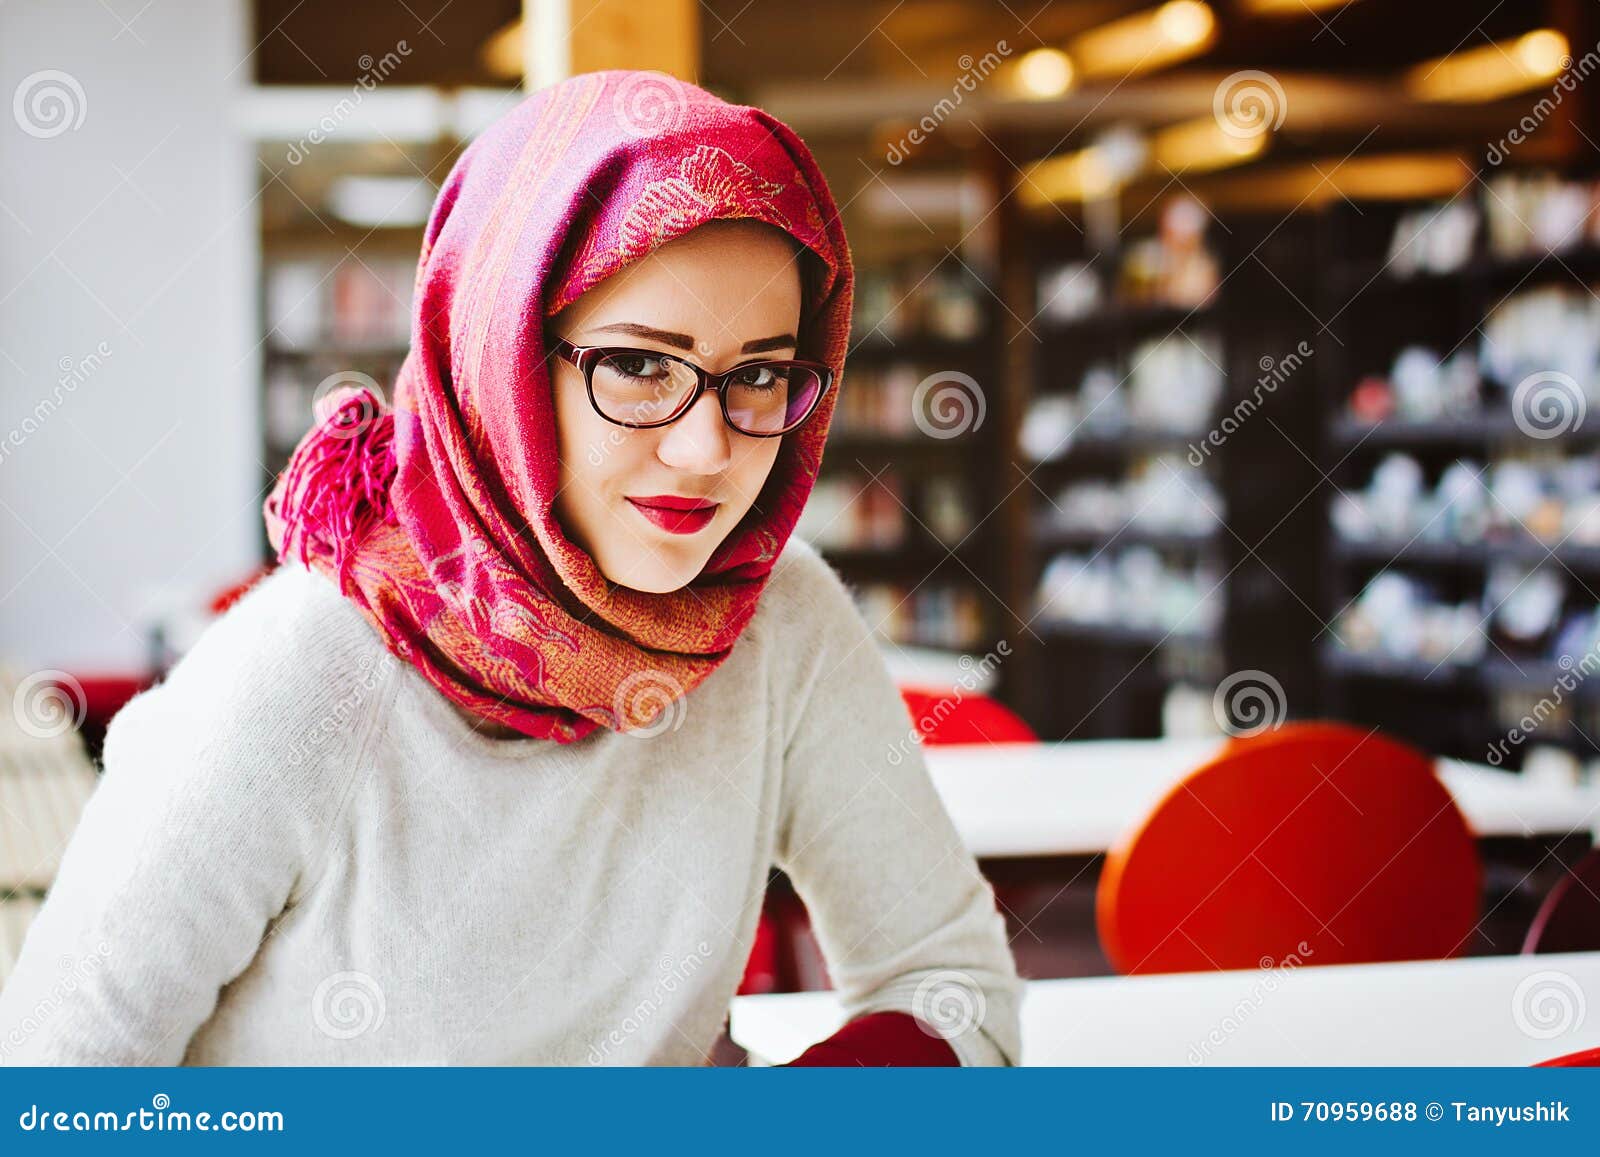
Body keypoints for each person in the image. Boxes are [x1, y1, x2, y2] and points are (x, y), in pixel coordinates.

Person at [0, 70, 1021, 1066]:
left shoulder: (778, 622)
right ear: (502, 357)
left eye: (758, 374)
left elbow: (952, 989)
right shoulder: (291, 682)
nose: (706, 449)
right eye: (637, 365)